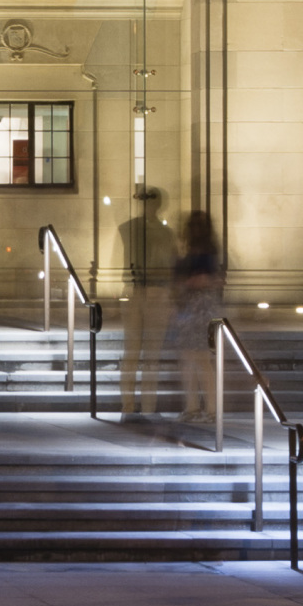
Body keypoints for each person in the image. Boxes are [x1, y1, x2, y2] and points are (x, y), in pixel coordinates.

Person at [119, 187, 176, 424]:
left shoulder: (134, 228)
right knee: (141, 353)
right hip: (148, 292)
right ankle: (137, 405)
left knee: (142, 353)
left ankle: (136, 405)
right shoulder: (159, 232)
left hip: (149, 292)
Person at [172, 208, 227, 436]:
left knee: (200, 359)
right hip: (193, 308)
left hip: (199, 308)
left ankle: (209, 408)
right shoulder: (203, 252)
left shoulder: (205, 253)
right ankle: (196, 406)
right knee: (191, 359)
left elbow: (207, 280)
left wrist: (189, 283)